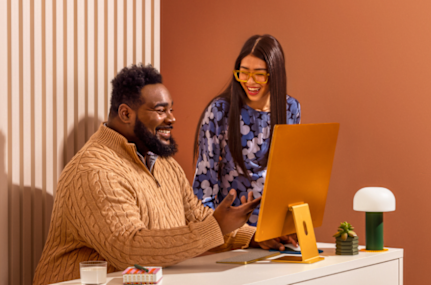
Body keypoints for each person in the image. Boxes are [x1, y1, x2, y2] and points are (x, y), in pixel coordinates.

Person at [33, 64, 286, 285]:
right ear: (125, 114)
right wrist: (216, 227)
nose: (172, 118)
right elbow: (129, 249)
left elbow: (198, 220)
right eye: (160, 110)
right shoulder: (94, 171)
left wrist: (254, 236)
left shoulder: (163, 163)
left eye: (171, 110)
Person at [192, 34, 301, 228]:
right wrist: (210, 232)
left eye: (259, 74)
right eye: (243, 72)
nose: (250, 81)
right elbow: (204, 181)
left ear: (275, 74)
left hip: (275, 226)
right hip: (234, 231)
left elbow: (289, 174)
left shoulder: (290, 108)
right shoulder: (219, 111)